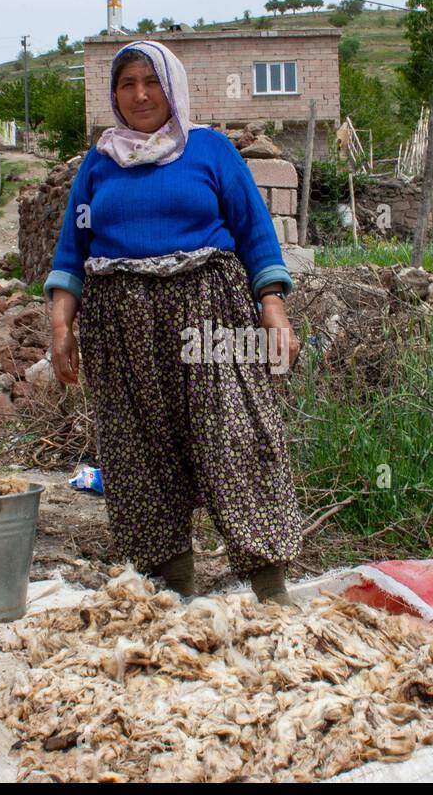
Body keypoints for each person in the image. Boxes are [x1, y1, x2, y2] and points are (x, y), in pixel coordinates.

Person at [43, 39, 302, 605]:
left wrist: (273, 308)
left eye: (151, 82)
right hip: (120, 323)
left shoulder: (208, 150)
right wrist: (63, 327)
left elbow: (255, 230)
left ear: (173, 86)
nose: (139, 95)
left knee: (235, 437)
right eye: (126, 84)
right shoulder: (99, 163)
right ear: (113, 94)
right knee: (138, 453)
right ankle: (172, 591)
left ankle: (270, 589)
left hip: (208, 310)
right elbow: (71, 252)